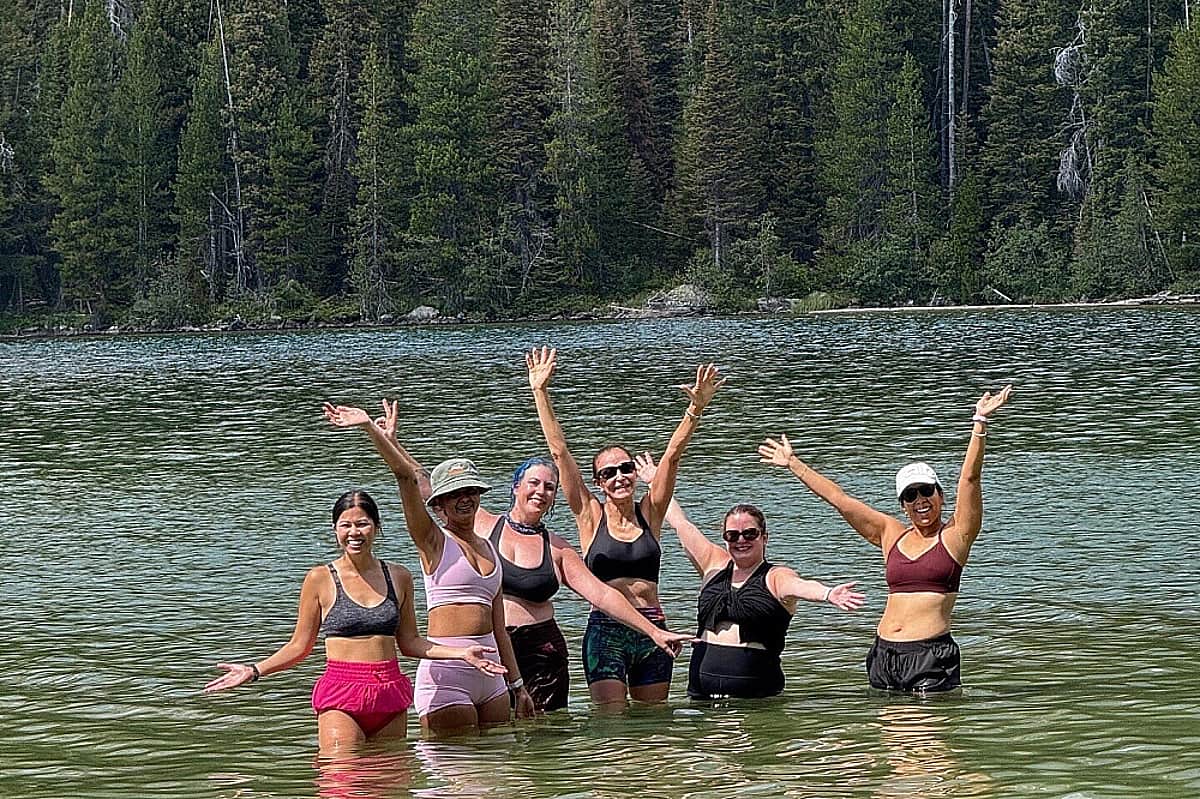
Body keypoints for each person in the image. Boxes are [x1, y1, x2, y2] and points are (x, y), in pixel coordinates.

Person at [203, 490, 506, 752]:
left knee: (389, 783)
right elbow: (299, 645)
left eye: (362, 524)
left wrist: (461, 653)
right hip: (341, 694)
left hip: (389, 693)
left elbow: (411, 642)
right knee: (343, 781)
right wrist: (255, 670)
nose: (354, 532)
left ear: (376, 527)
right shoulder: (320, 579)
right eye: (345, 525)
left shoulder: (398, 576)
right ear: (335, 530)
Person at [757, 385, 1013, 694]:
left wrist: (980, 422)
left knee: (925, 740)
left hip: (929, 655)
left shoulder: (957, 535)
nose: (920, 500)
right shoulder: (891, 533)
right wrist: (794, 463)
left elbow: (969, 479)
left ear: (940, 495)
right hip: (884, 655)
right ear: (903, 504)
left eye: (926, 491)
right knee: (889, 741)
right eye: (910, 495)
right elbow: (839, 499)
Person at [526, 346, 724, 707]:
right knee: (611, 729)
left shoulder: (651, 513)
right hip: (606, 630)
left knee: (653, 723)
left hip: (654, 628)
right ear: (598, 482)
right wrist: (540, 392)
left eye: (626, 468)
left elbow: (672, 456)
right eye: (608, 473)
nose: (619, 477)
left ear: (635, 473)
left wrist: (695, 409)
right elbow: (559, 453)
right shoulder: (589, 515)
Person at [322, 403, 537, 733]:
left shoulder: (490, 547)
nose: (464, 499)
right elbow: (409, 480)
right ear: (439, 504)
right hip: (448, 672)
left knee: (496, 771)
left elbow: (499, 626)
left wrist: (518, 684)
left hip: (492, 672)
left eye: (470, 491)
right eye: (454, 494)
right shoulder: (433, 541)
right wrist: (373, 431)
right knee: (452, 773)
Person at [472, 455, 693, 711]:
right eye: (534, 483)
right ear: (516, 486)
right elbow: (432, 493)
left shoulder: (558, 548)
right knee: (490, 725)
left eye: (550, 487)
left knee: (545, 734)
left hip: (542, 652)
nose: (541, 491)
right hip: (490, 644)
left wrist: (654, 631)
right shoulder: (483, 524)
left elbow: (602, 595)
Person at [637, 455, 864, 699]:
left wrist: (828, 593)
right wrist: (654, 482)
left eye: (749, 534)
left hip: (756, 698)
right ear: (725, 539)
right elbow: (681, 524)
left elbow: (800, 586)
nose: (741, 541)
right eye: (733, 535)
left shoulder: (775, 576)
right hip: (701, 696)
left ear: (764, 537)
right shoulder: (713, 564)